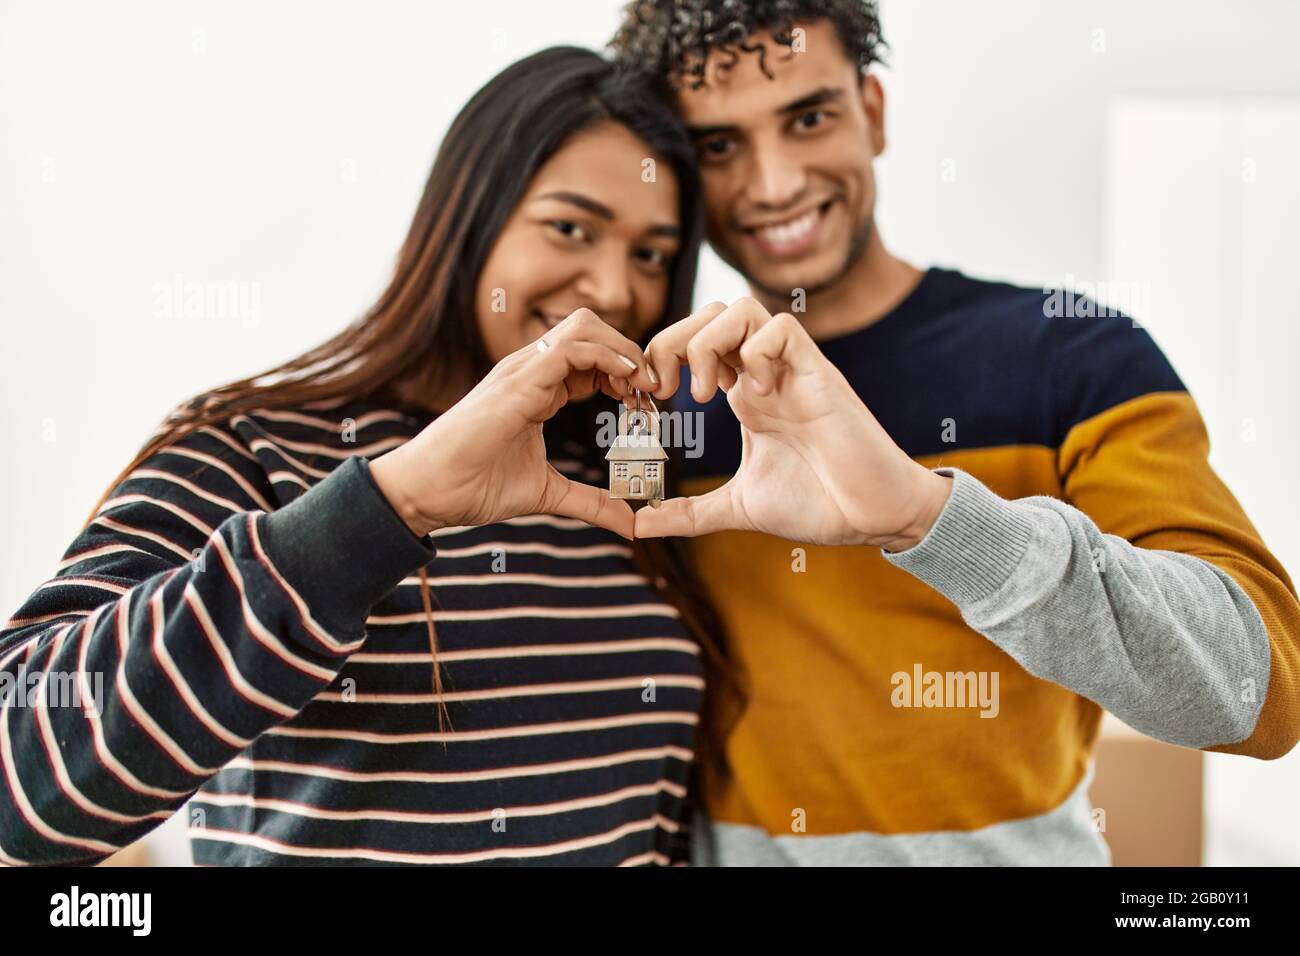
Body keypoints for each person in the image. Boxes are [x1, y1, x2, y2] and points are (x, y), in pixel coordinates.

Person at [0, 46, 735, 866]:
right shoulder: (254, 444)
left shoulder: (630, 473)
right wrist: (391, 506)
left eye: (651, 254)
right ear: (466, 219)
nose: (614, 286)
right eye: (570, 227)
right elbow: (20, 781)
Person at [610, 1, 1300, 865]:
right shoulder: (664, 403)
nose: (774, 183)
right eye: (718, 146)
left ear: (874, 112)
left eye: (810, 117)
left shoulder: (1075, 354)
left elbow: (1263, 693)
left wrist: (929, 519)